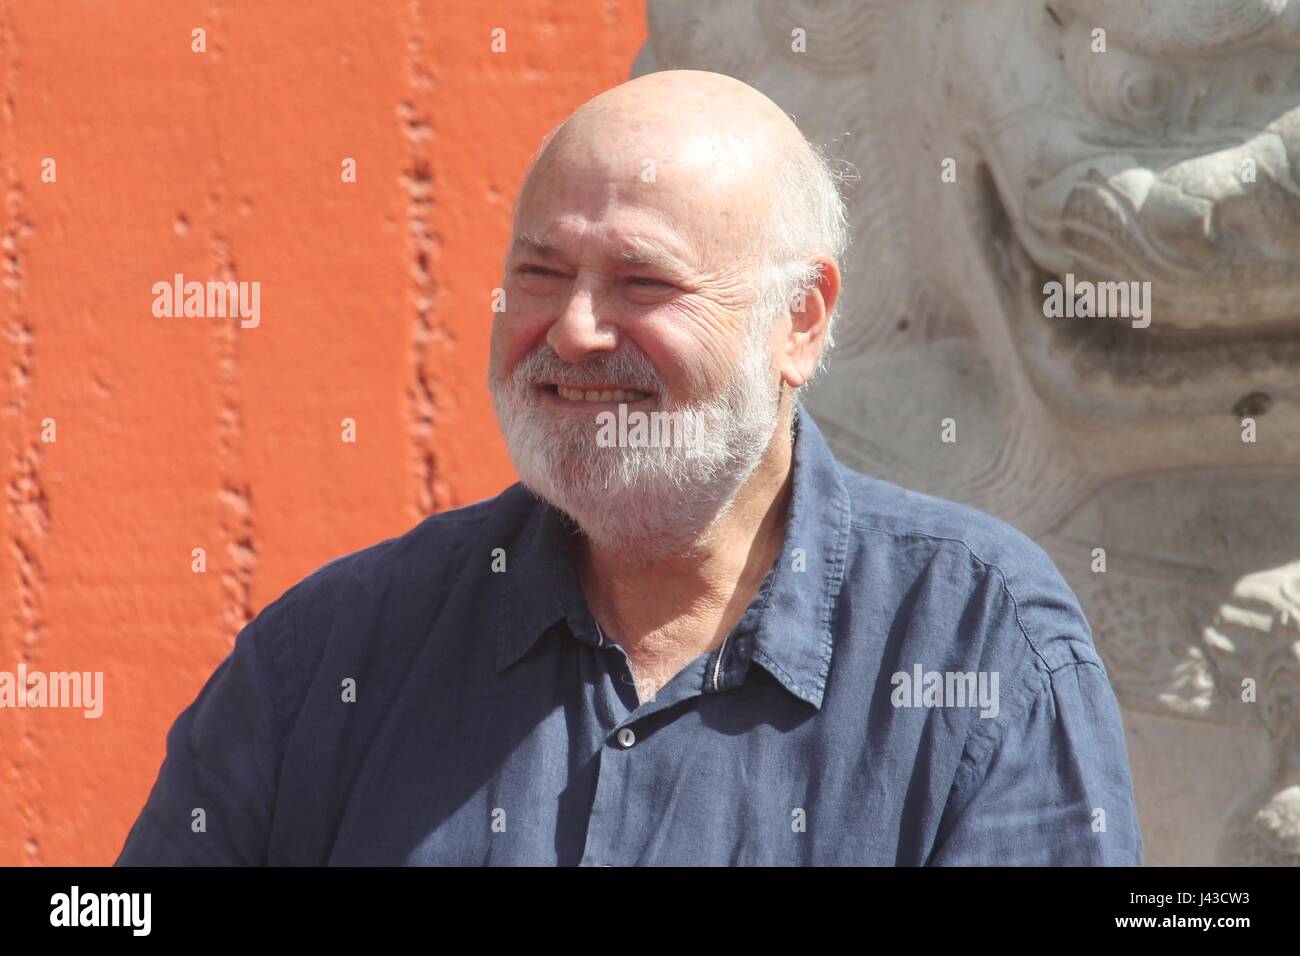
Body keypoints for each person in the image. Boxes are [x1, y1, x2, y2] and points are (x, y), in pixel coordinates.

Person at [116, 69, 1142, 866]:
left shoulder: (976, 642)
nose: (573, 327)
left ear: (801, 321)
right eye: (540, 272)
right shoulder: (330, 659)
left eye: (643, 280)